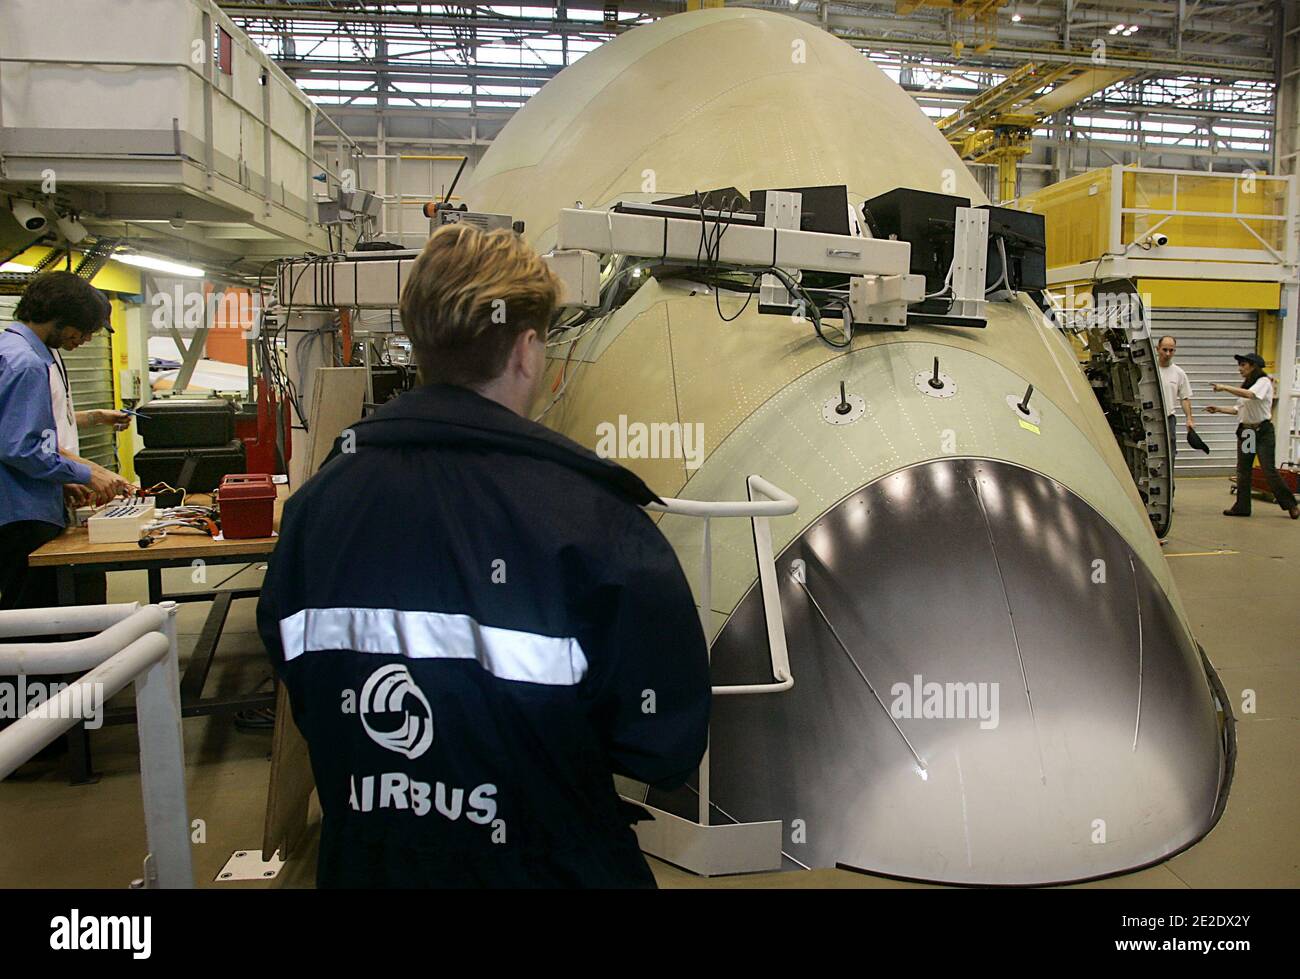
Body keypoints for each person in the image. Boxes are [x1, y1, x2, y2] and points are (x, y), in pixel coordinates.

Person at [256, 224, 712, 888]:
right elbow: (663, 743)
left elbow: (298, 671)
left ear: (420, 343)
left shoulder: (316, 507)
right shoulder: (595, 519)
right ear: (527, 350)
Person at [0, 272, 130, 610]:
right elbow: (21, 447)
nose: (85, 340)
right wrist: (88, 474)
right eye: (83, 330)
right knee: (35, 618)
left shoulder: (11, 350)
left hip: (22, 505)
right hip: (20, 516)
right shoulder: (26, 363)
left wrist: (58, 481)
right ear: (61, 318)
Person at [1207, 352, 1299, 520]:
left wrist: (1224, 387)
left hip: (1262, 432)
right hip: (1247, 433)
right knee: (1243, 470)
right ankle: (1242, 507)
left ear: (1253, 366)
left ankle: (1290, 504)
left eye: (1243, 365)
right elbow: (1237, 410)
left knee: (1268, 469)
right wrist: (1219, 409)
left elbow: (1250, 395)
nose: (1240, 368)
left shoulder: (1263, 382)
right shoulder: (1247, 385)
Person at [1156, 335, 1196, 477]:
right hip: (1148, 419)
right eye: (1164, 350)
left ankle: (1168, 491)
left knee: (1169, 455)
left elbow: (1184, 398)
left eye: (1171, 350)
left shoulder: (1179, 373)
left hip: (1168, 420)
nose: (1168, 354)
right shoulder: (1148, 371)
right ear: (1157, 349)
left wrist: (1189, 418)